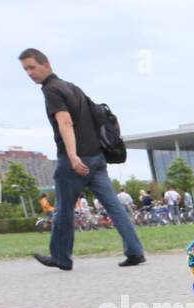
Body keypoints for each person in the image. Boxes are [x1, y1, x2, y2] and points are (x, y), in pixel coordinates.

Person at [19, 48, 144, 270]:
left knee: (63, 210)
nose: (29, 73)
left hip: (75, 161)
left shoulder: (52, 90)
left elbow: (65, 123)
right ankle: (135, 252)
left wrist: (73, 155)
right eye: (25, 69)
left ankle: (61, 258)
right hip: (97, 158)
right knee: (114, 206)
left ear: (45, 65)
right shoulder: (73, 88)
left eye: (32, 67)